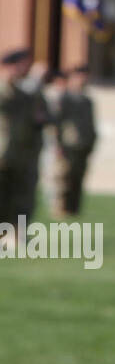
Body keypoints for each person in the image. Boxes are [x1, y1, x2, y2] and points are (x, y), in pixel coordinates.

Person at [0, 49, 48, 243]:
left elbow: (44, 115)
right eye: (22, 64)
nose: (25, 69)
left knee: (24, 197)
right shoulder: (6, 88)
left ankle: (18, 235)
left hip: (26, 153)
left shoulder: (31, 91)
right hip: (4, 154)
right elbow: (7, 101)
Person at [50, 66, 96, 218]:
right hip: (68, 145)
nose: (83, 80)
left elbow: (91, 123)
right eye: (79, 76)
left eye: (85, 76)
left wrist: (92, 141)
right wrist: (57, 144)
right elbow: (56, 123)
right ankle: (60, 209)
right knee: (64, 178)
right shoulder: (64, 98)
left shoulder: (87, 100)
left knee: (78, 178)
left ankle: (73, 210)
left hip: (83, 145)